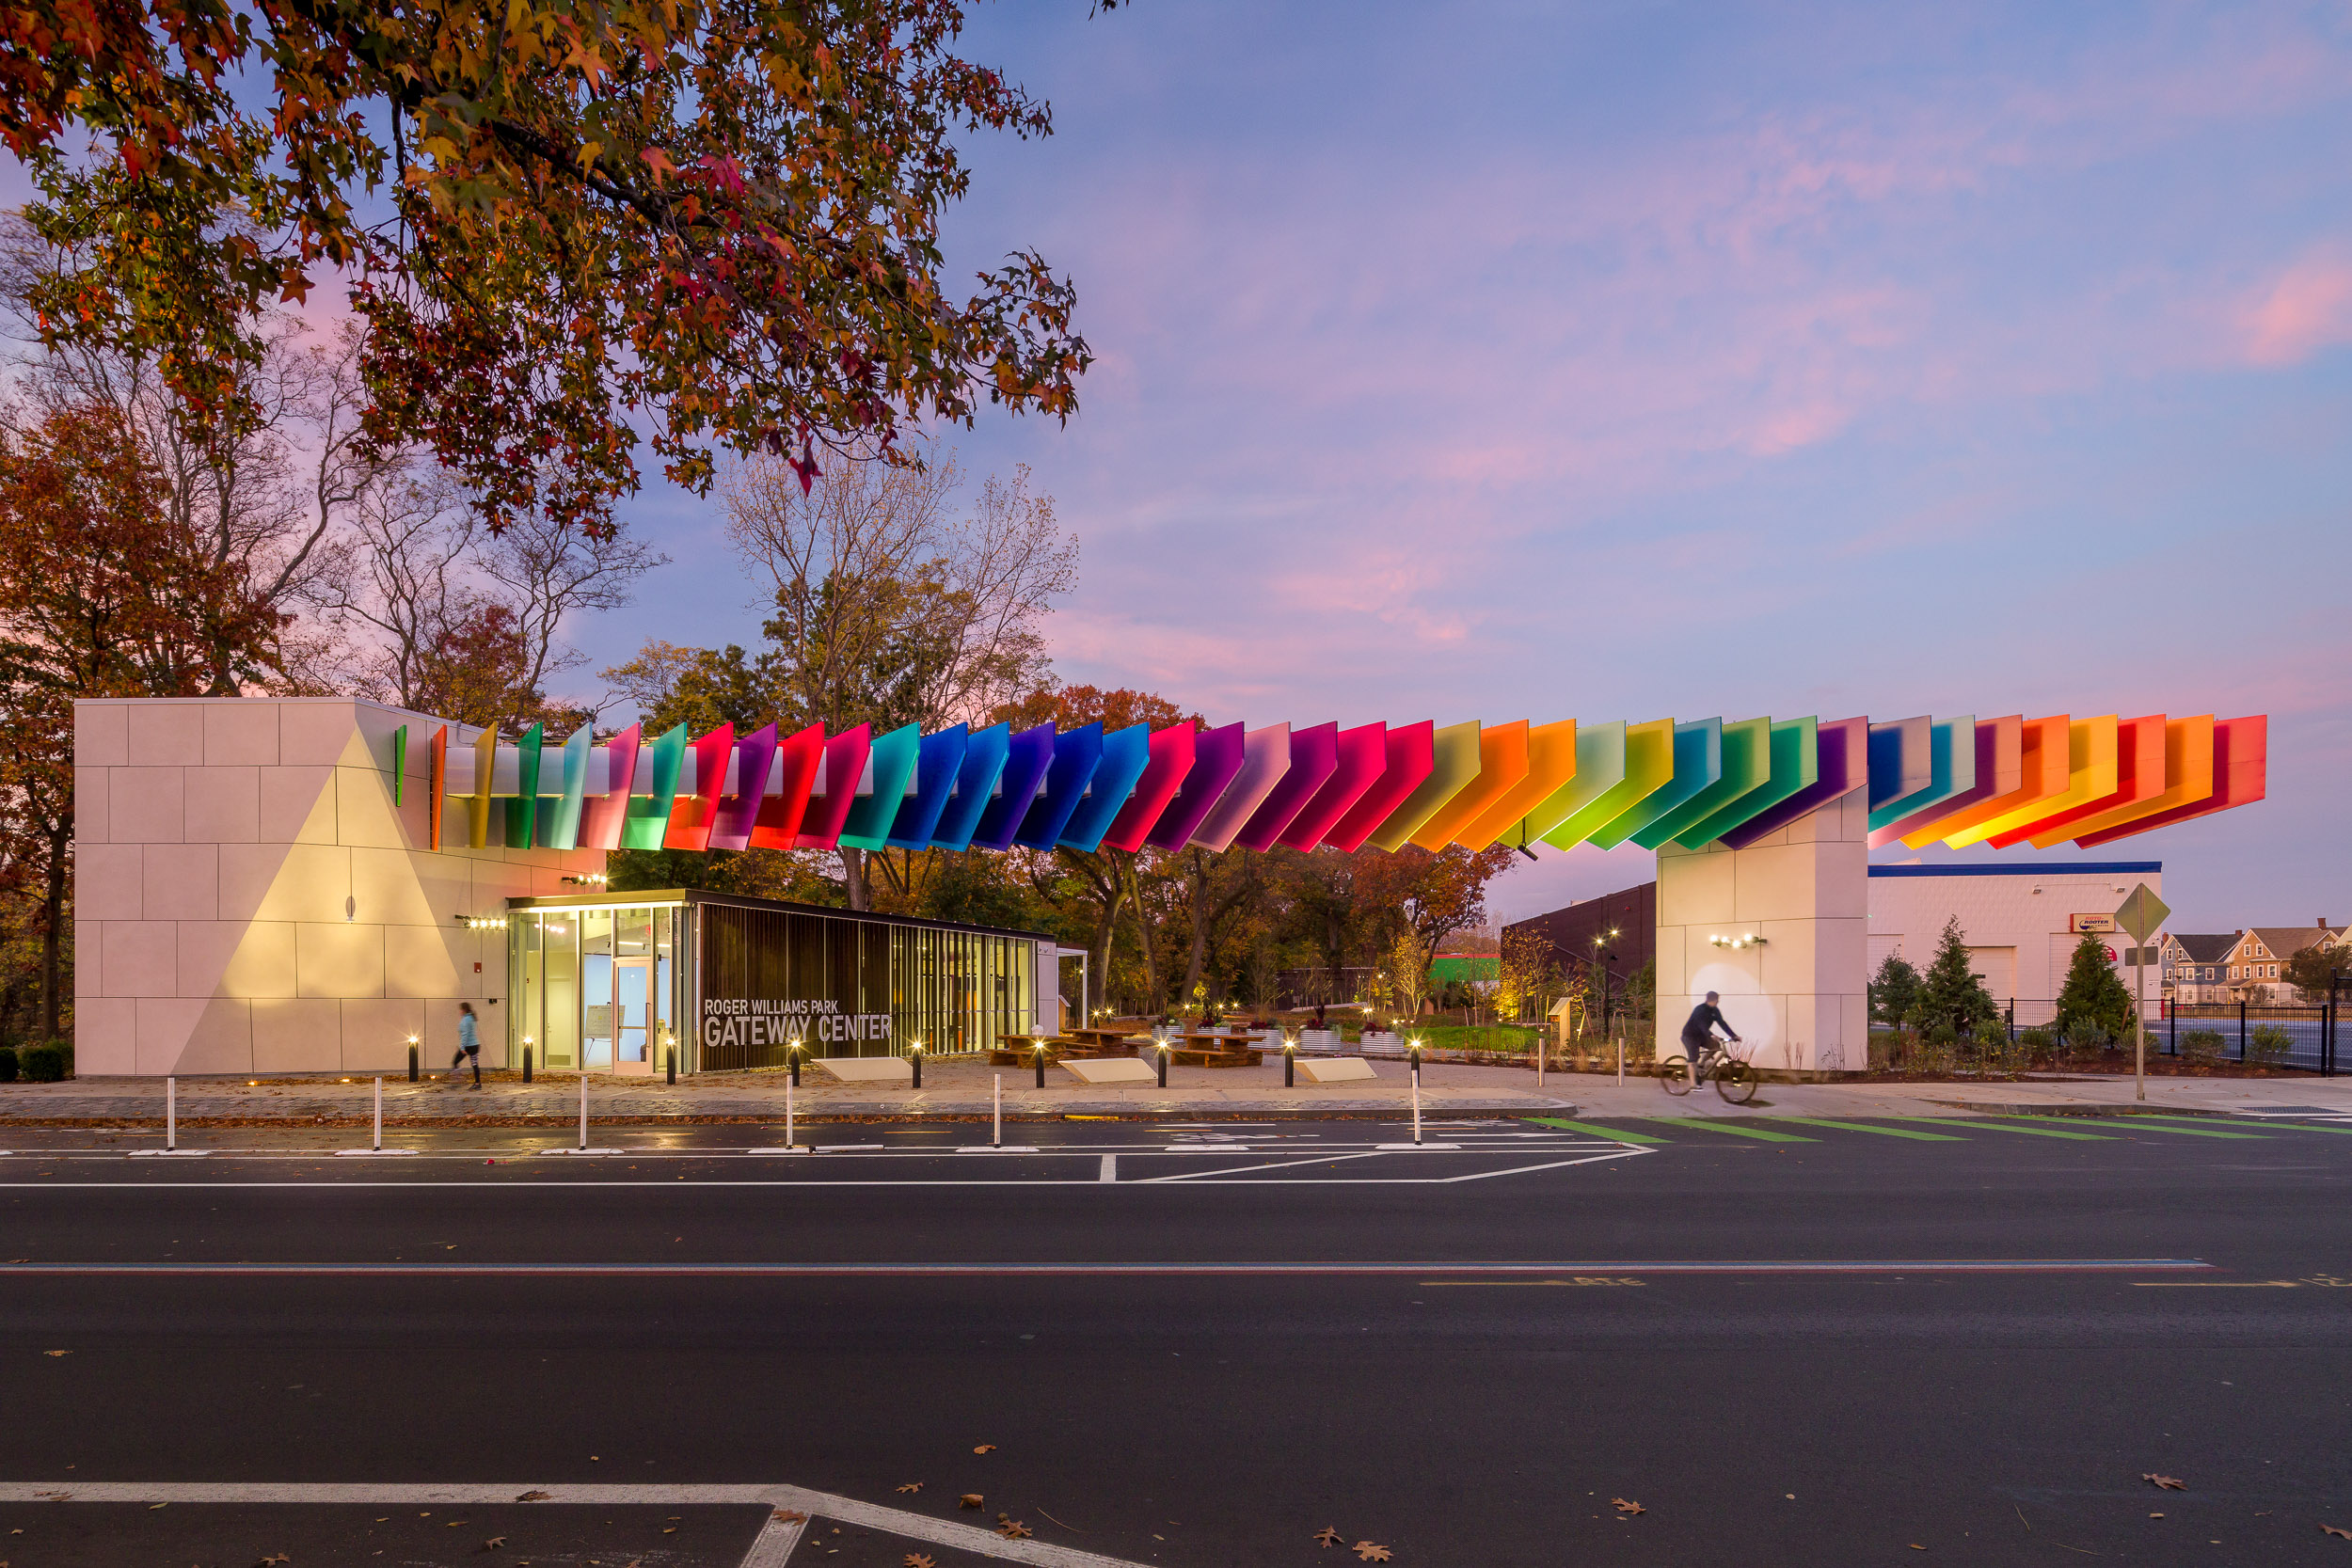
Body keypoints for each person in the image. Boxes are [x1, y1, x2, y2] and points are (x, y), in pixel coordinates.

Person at [1680, 991, 1740, 1075]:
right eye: (1717, 1000)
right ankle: (1692, 1082)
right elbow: (1701, 1025)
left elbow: (1722, 1023)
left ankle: (1701, 1064)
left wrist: (1734, 1036)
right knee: (1694, 1058)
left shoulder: (1715, 1010)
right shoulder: (1700, 1009)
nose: (1718, 1002)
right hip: (1690, 1036)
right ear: (1712, 1000)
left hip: (1701, 1035)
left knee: (1715, 1046)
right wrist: (1711, 1035)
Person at [449, 1002, 483, 1088]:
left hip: (468, 1046)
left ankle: (458, 1080)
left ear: (463, 1010)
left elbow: (465, 1034)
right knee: (475, 1064)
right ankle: (477, 1083)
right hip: (475, 1045)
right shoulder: (472, 1018)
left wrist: (462, 1047)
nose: (459, 1011)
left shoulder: (465, 1020)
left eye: (460, 1009)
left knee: (455, 1062)